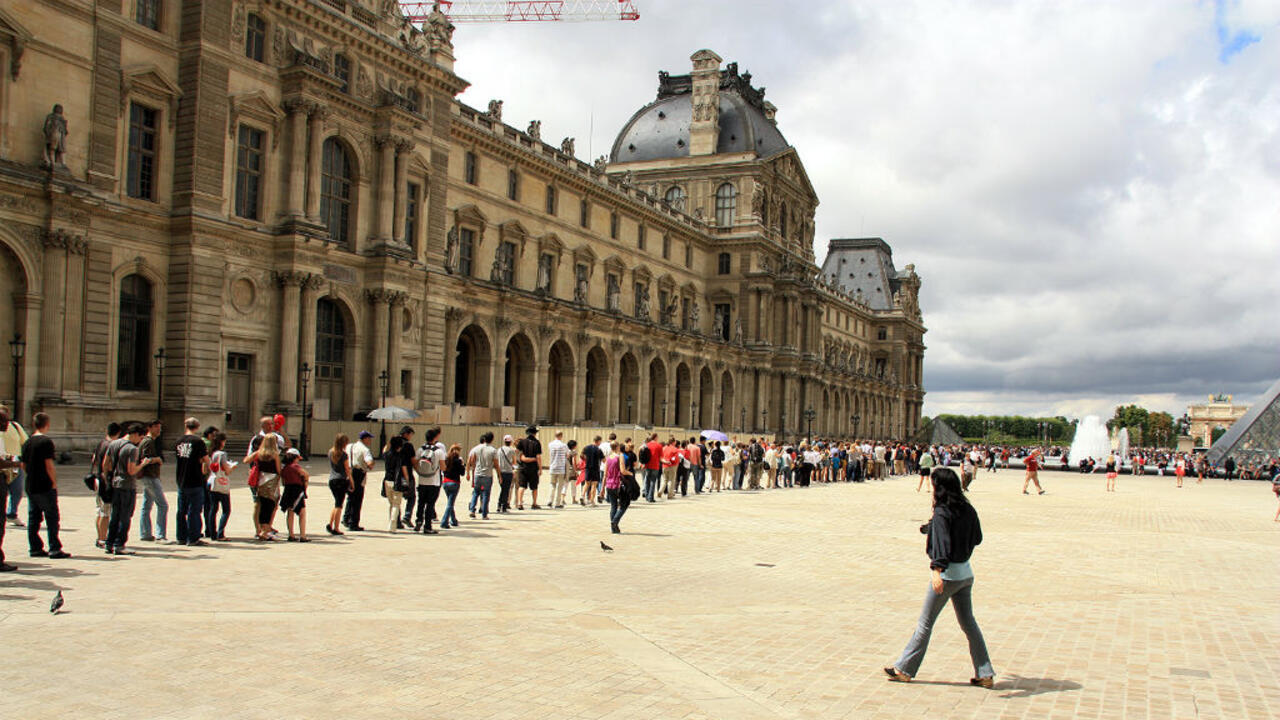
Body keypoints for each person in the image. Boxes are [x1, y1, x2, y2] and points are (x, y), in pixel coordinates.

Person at [885, 468, 994, 687]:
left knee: (925, 624)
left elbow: (943, 543)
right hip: (966, 573)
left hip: (947, 576)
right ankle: (985, 673)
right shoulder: (967, 508)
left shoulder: (943, 511)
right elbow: (977, 538)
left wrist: (937, 571)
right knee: (969, 624)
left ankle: (904, 669)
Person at [20, 413, 69, 559]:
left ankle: (35, 547)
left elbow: (23, 464)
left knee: (34, 517)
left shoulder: (27, 442)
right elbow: (49, 465)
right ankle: (54, 547)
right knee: (52, 517)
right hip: (45, 485)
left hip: (31, 484)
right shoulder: (46, 442)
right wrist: (53, 482)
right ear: (47, 424)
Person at [105, 423, 146, 555]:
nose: (140, 441)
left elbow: (106, 463)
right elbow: (131, 470)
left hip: (115, 484)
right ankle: (119, 544)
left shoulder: (113, 444)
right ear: (135, 435)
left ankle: (109, 543)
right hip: (127, 486)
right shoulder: (132, 449)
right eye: (140, 438)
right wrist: (143, 464)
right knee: (125, 516)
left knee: (115, 515)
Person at [173, 417, 209, 546]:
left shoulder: (178, 441)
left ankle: (181, 536)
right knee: (194, 510)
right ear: (197, 426)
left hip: (181, 479)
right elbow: (206, 460)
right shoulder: (198, 441)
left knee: (181, 510)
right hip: (195, 479)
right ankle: (193, 537)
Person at [89, 423, 122, 548]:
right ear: (118, 433)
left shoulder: (101, 444)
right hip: (105, 480)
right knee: (105, 512)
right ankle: (103, 538)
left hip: (97, 479)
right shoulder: (111, 446)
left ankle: (100, 537)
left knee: (100, 510)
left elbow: (94, 459)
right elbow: (107, 464)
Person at [247, 434, 283, 541]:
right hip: (271, 482)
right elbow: (278, 470)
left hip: (261, 481)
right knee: (270, 505)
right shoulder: (275, 455)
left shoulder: (259, 453)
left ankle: (261, 529)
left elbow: (246, 460)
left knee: (262, 505)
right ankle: (265, 531)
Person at [136, 419, 167, 542]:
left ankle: (145, 533)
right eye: (156, 427)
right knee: (163, 505)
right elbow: (145, 459)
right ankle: (160, 535)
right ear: (149, 428)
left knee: (146, 505)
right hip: (150, 476)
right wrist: (157, 459)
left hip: (148, 476)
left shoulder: (147, 441)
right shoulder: (148, 442)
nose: (159, 430)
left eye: (160, 427)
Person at [1, 406, 30, 527]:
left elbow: (26, 442)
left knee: (17, 490)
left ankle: (11, 513)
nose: (6, 424)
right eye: (3, 420)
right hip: (6, 465)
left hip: (14, 462)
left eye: (7, 419)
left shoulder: (15, 427)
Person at [205, 432, 235, 541]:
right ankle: (220, 533)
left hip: (211, 481)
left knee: (213, 509)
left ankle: (212, 533)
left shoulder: (211, 453)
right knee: (226, 509)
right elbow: (226, 470)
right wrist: (232, 467)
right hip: (221, 482)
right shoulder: (222, 454)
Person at [413, 427, 444, 534]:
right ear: (435, 437)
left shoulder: (420, 449)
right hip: (434, 481)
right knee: (430, 504)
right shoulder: (439, 451)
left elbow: (415, 463)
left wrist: (419, 472)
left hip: (422, 480)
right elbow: (443, 467)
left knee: (420, 502)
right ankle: (427, 526)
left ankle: (418, 520)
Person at [343, 431, 374, 531]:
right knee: (357, 498)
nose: (370, 441)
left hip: (348, 471)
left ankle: (346, 518)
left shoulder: (349, 446)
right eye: (369, 438)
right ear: (365, 439)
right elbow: (369, 462)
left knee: (350, 497)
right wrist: (371, 464)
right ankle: (354, 523)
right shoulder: (365, 449)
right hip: (358, 473)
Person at [280, 448, 309, 542]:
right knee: (302, 513)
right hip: (296, 489)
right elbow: (305, 474)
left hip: (288, 489)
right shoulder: (295, 466)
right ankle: (303, 535)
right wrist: (305, 484)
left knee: (290, 511)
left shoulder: (284, 468)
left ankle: (291, 534)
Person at [326, 434, 353, 536]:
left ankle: (330, 523)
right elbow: (347, 469)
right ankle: (336, 528)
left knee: (336, 503)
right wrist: (352, 482)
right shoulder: (343, 454)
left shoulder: (331, 452)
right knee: (339, 505)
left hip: (332, 479)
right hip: (341, 480)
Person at [466, 432, 497, 520]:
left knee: (476, 492)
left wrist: (472, 471)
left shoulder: (476, 449)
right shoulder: (493, 450)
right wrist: (499, 474)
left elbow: (471, 461)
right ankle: (484, 513)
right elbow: (496, 464)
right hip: (487, 474)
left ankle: (472, 510)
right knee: (486, 494)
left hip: (477, 473)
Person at [383, 435, 408, 533]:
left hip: (387, 481)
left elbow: (384, 450)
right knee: (396, 504)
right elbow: (404, 471)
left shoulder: (387, 455)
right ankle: (392, 525)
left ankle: (390, 522)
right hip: (397, 482)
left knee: (391, 503)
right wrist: (407, 482)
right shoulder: (401, 457)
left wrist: (389, 441)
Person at [516, 426, 543, 510]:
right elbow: (538, 456)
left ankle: (520, 503)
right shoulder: (537, 443)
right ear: (535, 433)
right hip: (533, 468)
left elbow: (517, 452)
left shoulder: (522, 442)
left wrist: (523, 458)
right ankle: (534, 503)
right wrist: (540, 468)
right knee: (534, 487)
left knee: (522, 486)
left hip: (523, 467)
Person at [439, 443, 464, 529]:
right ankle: (444, 521)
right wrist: (462, 464)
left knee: (450, 502)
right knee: (450, 504)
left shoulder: (447, 459)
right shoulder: (458, 461)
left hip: (446, 482)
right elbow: (462, 473)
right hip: (454, 483)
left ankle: (453, 520)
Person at [546, 430, 569, 508]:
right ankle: (557, 503)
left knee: (552, 484)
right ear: (561, 436)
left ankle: (550, 500)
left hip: (553, 467)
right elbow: (567, 455)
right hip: (561, 468)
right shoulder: (564, 445)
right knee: (560, 486)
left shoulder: (550, 444)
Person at [580, 436, 604, 507]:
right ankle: (592, 501)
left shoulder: (586, 448)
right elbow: (604, 460)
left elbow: (581, 455)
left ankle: (582, 496)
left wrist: (587, 459)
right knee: (594, 484)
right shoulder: (598, 449)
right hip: (595, 468)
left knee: (587, 483)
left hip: (588, 468)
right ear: (598, 441)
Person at [496, 434, 517, 513]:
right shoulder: (512, 450)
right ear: (510, 442)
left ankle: (499, 505)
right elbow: (514, 462)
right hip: (508, 472)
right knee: (506, 490)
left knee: (503, 489)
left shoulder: (499, 450)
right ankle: (503, 506)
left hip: (500, 472)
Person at [642, 433, 663, 502]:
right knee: (653, 481)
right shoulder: (659, 446)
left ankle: (647, 495)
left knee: (647, 480)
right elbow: (661, 457)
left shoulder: (647, 445)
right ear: (656, 437)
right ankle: (651, 497)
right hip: (655, 465)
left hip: (648, 465)